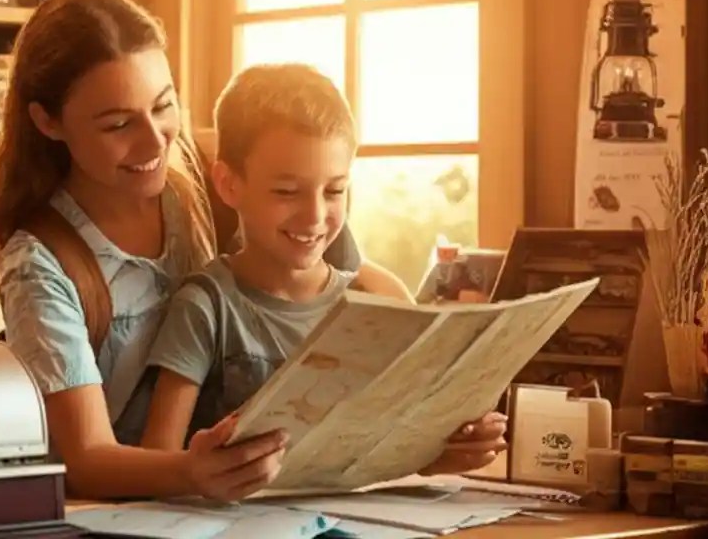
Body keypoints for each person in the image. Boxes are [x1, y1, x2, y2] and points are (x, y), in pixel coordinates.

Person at [0, 0, 409, 501]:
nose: (155, 142)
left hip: (250, 496)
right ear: (48, 122)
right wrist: (188, 472)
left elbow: (352, 276)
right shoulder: (39, 261)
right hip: (125, 512)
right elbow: (85, 459)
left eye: (163, 105)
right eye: (119, 124)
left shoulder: (214, 180)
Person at [140, 63, 507, 479]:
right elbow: (159, 458)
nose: (315, 216)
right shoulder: (206, 306)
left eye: (335, 190)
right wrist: (200, 468)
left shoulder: (378, 300)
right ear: (228, 184)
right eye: (286, 191)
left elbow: (400, 446)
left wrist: (451, 450)